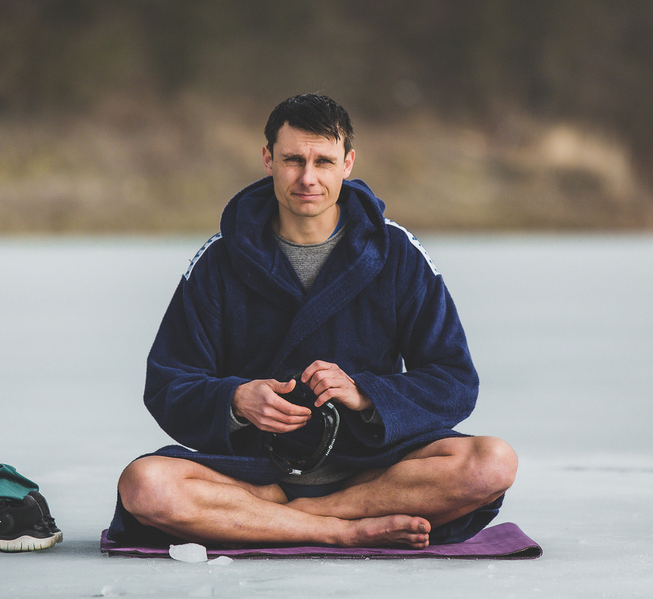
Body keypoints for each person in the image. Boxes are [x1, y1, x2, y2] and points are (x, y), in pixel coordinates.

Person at [109, 93, 517, 549]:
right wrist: (236, 399)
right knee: (145, 485)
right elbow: (169, 382)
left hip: (374, 469)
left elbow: (454, 380)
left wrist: (367, 394)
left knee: (492, 462)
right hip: (254, 473)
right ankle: (339, 532)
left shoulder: (397, 254)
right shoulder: (219, 260)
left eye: (323, 161)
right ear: (268, 159)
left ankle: (300, 517)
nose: (308, 178)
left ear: (348, 163)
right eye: (292, 160)